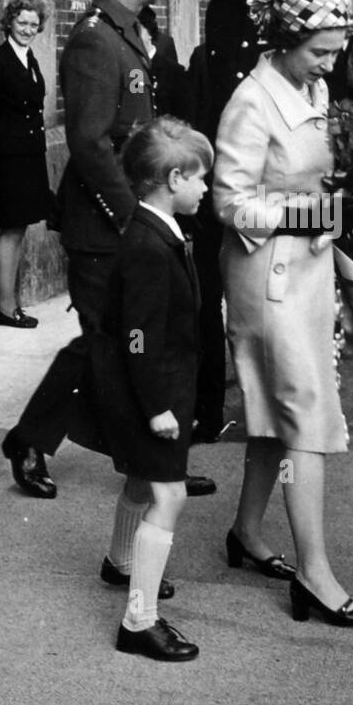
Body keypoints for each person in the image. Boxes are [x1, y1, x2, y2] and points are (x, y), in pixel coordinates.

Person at [0, 0, 215, 502]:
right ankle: (32, 440)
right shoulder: (96, 37)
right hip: (104, 223)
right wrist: (133, 215)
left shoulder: (139, 31)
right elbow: (90, 141)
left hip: (134, 213)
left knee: (127, 340)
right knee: (102, 342)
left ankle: (154, 459)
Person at [214, 0, 353, 628]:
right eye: (321, 49)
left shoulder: (311, 83)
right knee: (303, 417)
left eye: (337, 49)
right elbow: (228, 203)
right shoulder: (251, 102)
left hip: (307, 275)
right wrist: (308, 214)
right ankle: (314, 575)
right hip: (268, 283)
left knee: (278, 416)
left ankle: (246, 535)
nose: (332, 62)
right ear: (285, 39)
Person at [92, 116, 211, 662]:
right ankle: (139, 621)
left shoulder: (156, 229)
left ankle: (120, 563)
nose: (206, 189)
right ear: (173, 178)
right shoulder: (148, 244)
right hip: (150, 392)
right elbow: (139, 337)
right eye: (201, 179)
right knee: (169, 494)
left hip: (144, 390)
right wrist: (158, 407)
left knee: (142, 482)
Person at [190, 0, 290, 443]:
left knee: (266, 297)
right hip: (222, 176)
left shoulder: (297, 8)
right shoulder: (221, 11)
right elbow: (213, 96)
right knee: (207, 297)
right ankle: (207, 411)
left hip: (270, 178)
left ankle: (272, 411)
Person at [0, 0, 50, 329]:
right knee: (11, 229)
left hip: (30, 157)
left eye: (33, 24)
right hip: (10, 159)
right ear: (9, 22)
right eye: (21, 22)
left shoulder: (31, 59)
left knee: (20, 227)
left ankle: (11, 301)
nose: (27, 29)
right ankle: (5, 306)